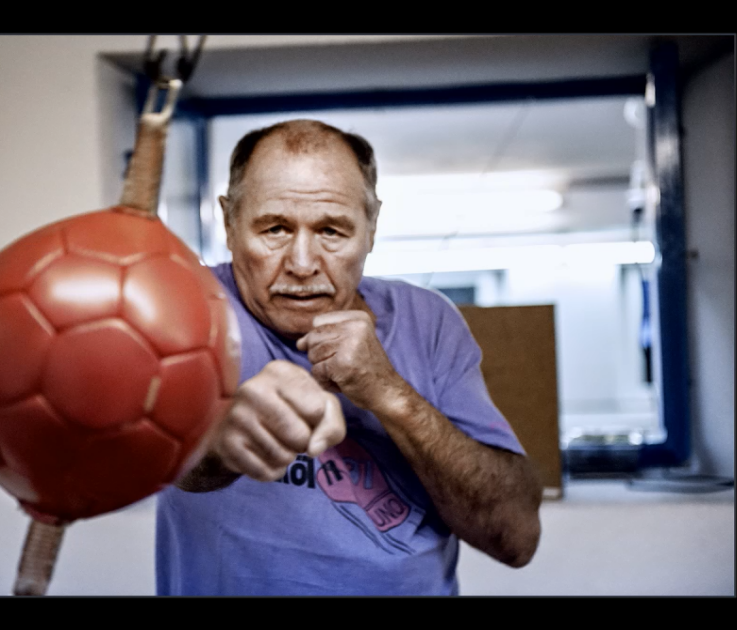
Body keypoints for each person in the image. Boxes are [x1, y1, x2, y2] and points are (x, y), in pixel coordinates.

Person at [155, 119, 542, 596]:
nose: (301, 264)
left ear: (371, 228)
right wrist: (222, 433)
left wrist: (390, 394)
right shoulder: (188, 308)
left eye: (332, 231)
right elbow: (168, 465)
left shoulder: (428, 321)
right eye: (274, 229)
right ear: (230, 223)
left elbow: (516, 538)